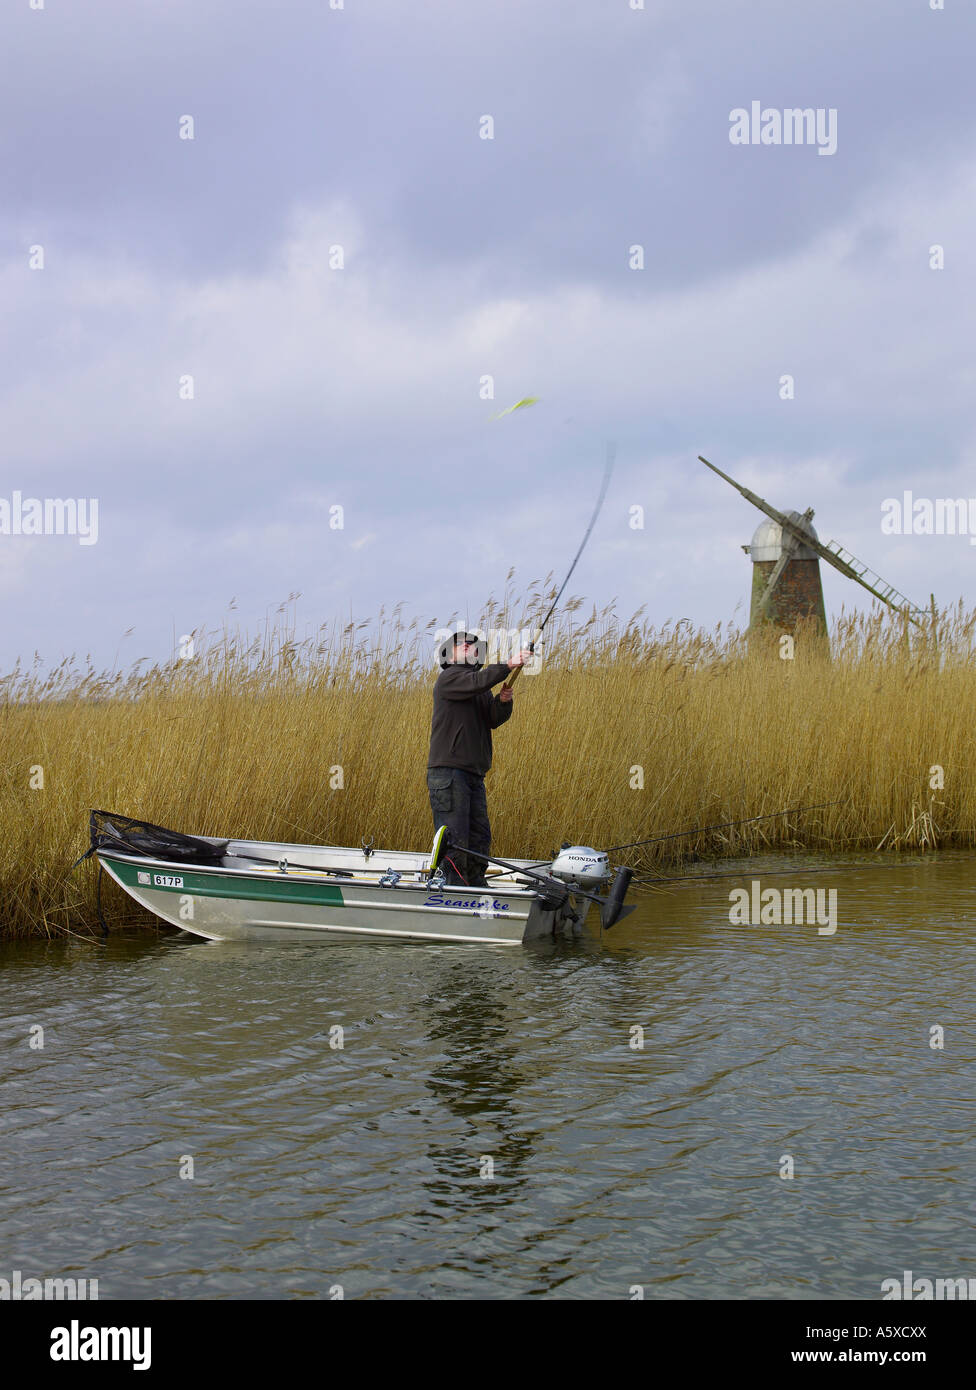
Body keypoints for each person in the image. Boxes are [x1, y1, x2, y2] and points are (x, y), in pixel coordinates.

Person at [427, 631, 532, 887]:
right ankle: (453, 889)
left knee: (479, 837)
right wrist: (508, 664)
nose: (469, 646)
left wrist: (503, 702)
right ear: (448, 653)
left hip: (474, 774)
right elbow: (479, 681)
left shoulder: (478, 687)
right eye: (461, 644)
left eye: (474, 645)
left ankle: (476, 885)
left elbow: (492, 719)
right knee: (455, 839)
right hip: (449, 774)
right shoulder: (449, 678)